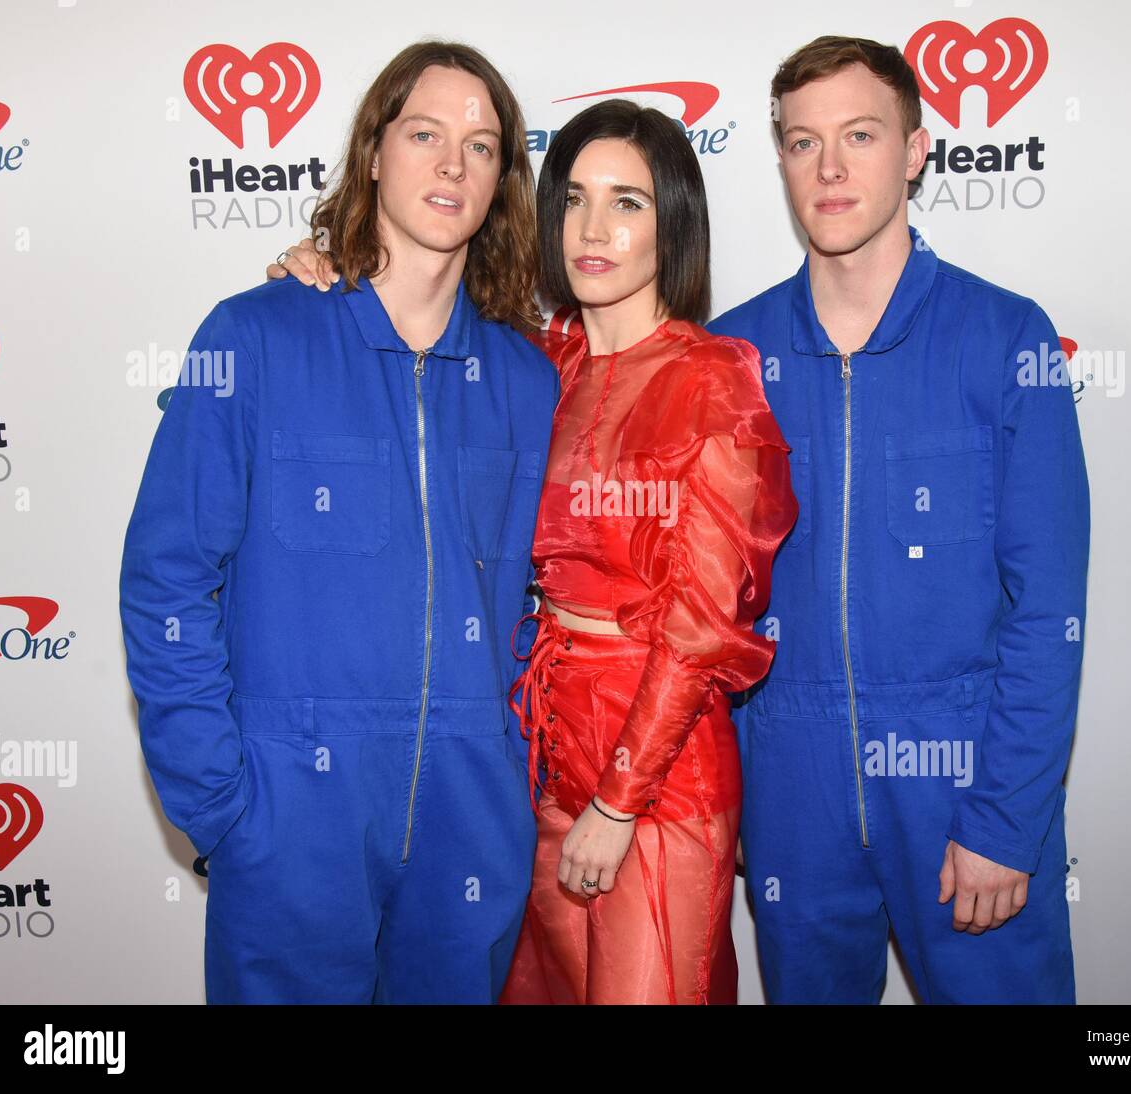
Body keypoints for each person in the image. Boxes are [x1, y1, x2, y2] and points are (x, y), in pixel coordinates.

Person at [272, 98, 798, 1005]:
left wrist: (618, 801)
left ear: (672, 223)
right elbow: (411, 322)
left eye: (628, 203)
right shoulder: (533, 366)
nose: (594, 229)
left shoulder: (714, 382)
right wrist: (322, 268)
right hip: (536, 750)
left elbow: (706, 624)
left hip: (658, 766)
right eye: (576, 199)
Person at [119, 41, 558, 1004]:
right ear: (372, 153)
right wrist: (222, 804)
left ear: (503, 181)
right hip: (291, 814)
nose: (453, 165)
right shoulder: (251, 336)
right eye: (426, 134)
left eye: (482, 147)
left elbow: (543, 602)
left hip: (471, 816)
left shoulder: (529, 379)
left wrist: (508, 777)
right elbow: (167, 576)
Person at [708, 36, 1090, 1004]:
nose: (829, 168)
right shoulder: (727, 357)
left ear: (917, 150)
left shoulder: (1007, 337)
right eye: (802, 142)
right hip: (791, 791)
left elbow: (1046, 612)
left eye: (860, 135)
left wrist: (1006, 818)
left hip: (963, 782)